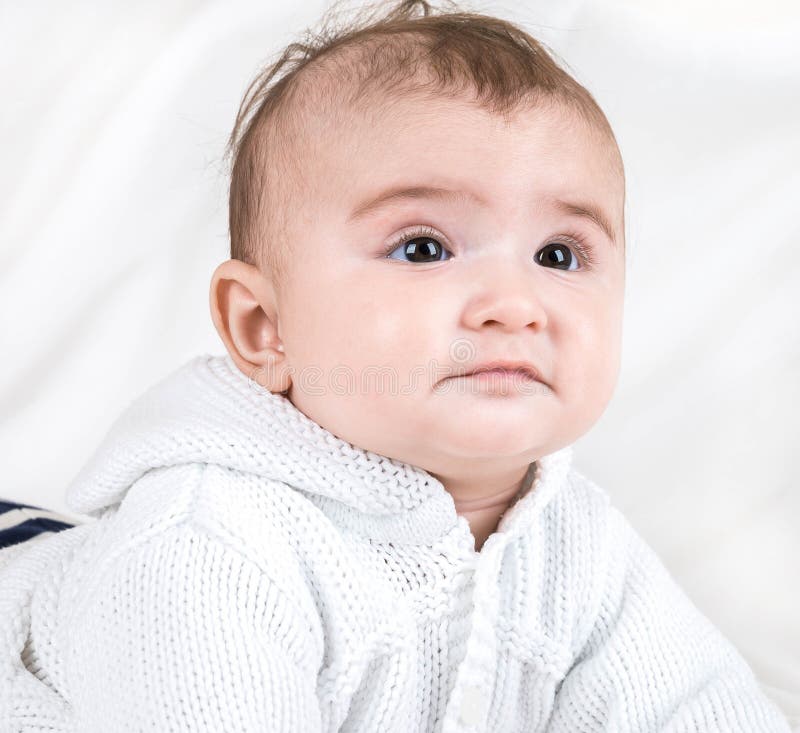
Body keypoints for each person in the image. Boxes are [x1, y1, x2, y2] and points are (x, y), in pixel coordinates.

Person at [0, 1, 791, 730]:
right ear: (265, 327)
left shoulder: (580, 547)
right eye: (423, 247)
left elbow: (700, 708)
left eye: (559, 254)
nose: (514, 304)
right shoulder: (206, 547)